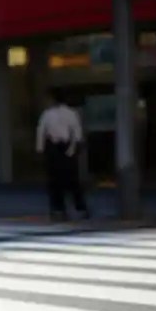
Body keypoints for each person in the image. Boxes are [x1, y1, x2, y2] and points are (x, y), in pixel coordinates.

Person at [37, 89, 89, 220]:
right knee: (72, 180)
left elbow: (41, 131)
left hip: (54, 147)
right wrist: (74, 148)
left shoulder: (47, 114)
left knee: (55, 180)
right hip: (66, 146)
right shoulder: (71, 113)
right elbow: (76, 132)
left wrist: (40, 149)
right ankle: (79, 207)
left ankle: (58, 209)